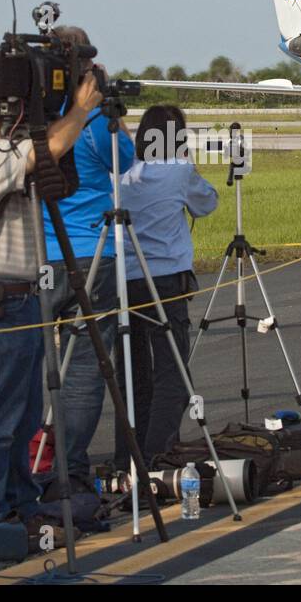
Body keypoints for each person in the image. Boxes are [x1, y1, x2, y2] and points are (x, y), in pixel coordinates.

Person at [0, 60, 100, 526]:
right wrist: (81, 108)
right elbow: (45, 150)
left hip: (19, 296)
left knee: (24, 412)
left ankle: (17, 504)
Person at [40, 26, 134, 479]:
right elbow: (126, 160)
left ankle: (32, 461)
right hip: (91, 250)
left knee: (31, 362)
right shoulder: (93, 120)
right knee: (84, 367)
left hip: (37, 253)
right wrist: (107, 107)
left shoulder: (32, 112)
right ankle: (70, 467)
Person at [115, 105, 217, 467]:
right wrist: (189, 164)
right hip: (166, 280)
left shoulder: (122, 172)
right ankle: (158, 452)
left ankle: (127, 454)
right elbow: (207, 204)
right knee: (172, 371)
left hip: (125, 280)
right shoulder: (179, 170)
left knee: (131, 372)